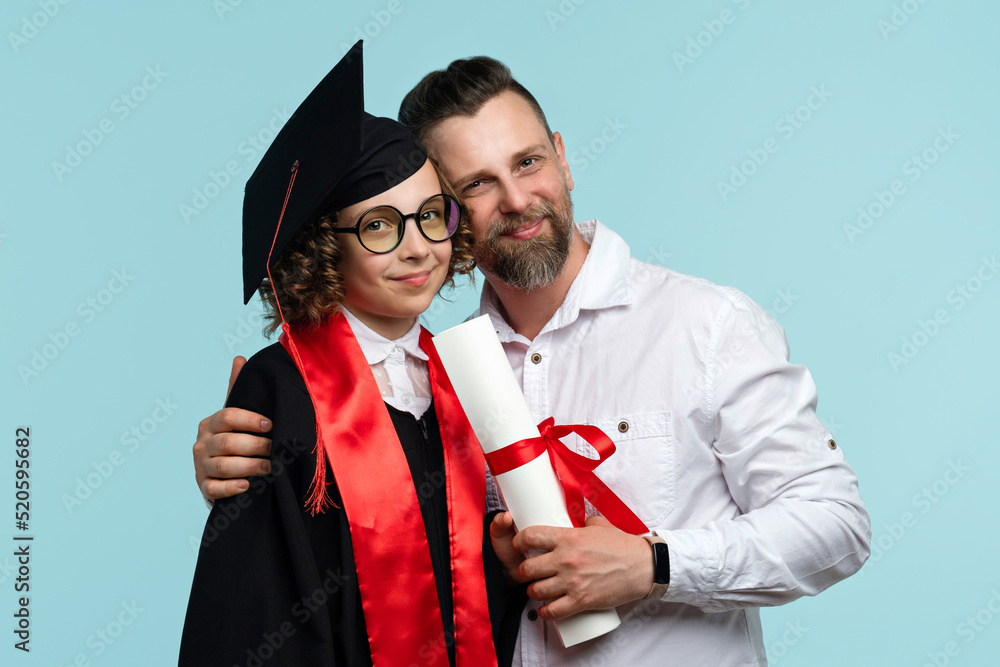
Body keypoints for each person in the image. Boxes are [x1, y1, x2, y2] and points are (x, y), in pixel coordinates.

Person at [192, 55, 871, 666]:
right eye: (478, 184)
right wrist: (271, 459)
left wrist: (652, 562)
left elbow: (836, 523)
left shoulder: (703, 324)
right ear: (452, 211)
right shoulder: (439, 380)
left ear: (564, 157)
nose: (517, 200)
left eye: (528, 161)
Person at [180, 44, 524, 667]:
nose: (418, 249)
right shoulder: (281, 386)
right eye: (379, 226)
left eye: (430, 217)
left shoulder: (463, 377)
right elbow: (253, 598)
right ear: (321, 248)